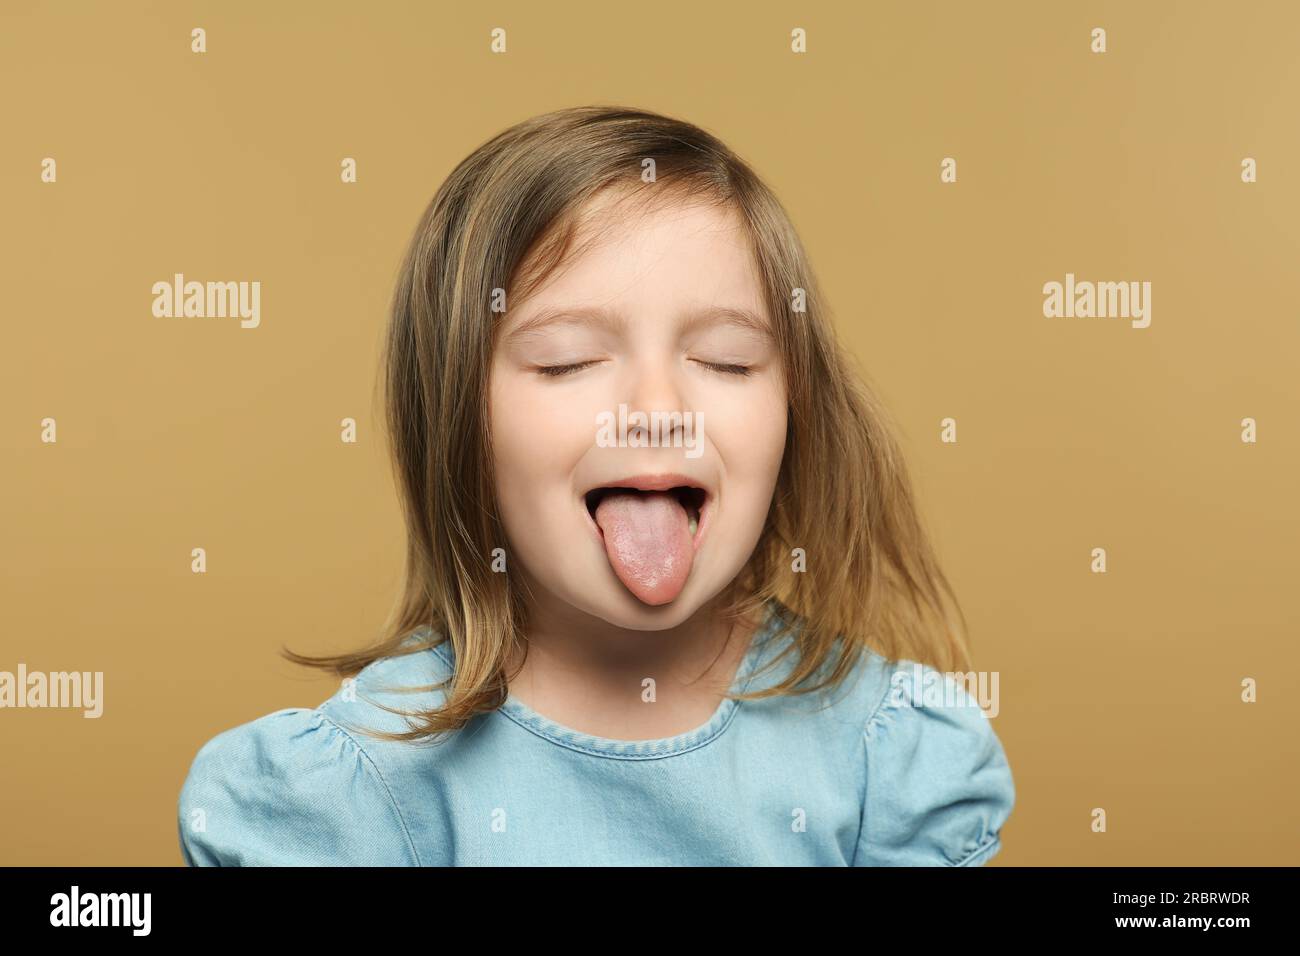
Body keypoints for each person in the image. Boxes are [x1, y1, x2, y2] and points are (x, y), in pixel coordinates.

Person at [177, 105, 1014, 866]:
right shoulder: (358, 793)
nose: (656, 411)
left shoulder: (886, 758)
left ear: (794, 407)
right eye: (566, 359)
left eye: (726, 361)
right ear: (460, 419)